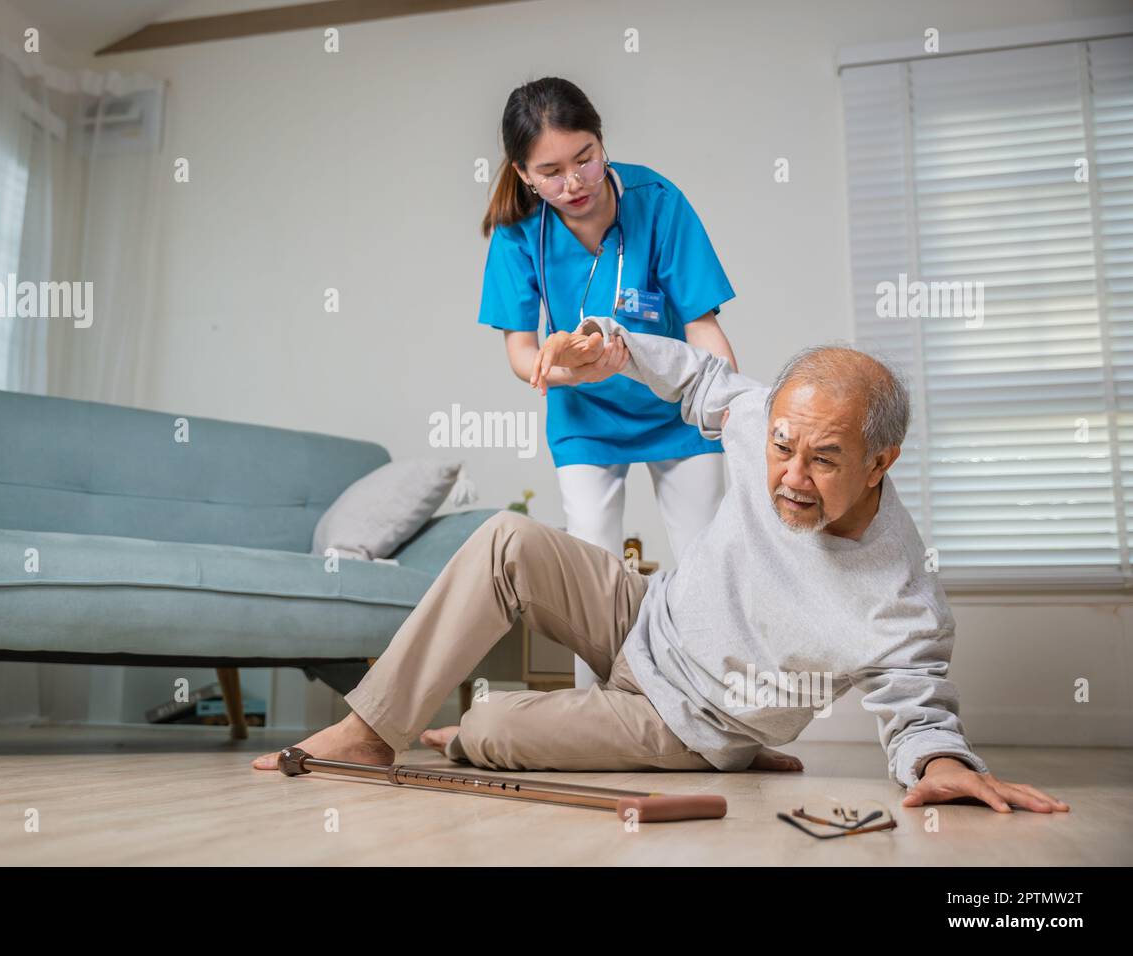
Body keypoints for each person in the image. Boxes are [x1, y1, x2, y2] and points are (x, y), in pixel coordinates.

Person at [253, 320, 1069, 814]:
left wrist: (944, 766)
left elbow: (919, 711)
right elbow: (699, 379)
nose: (789, 474)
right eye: (783, 447)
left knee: (491, 725)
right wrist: (615, 347)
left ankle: (474, 736)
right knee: (508, 539)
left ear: (880, 461)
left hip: (696, 725)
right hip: (645, 616)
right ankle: (369, 733)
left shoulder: (901, 597)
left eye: (823, 460)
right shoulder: (766, 419)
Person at [478, 77, 737, 689]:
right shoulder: (519, 231)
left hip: (672, 406)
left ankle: (716, 709)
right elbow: (521, 350)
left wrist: (729, 403)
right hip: (584, 413)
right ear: (523, 174)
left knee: (705, 562)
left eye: (585, 159)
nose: (574, 184)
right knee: (590, 571)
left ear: (602, 143)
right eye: (551, 171)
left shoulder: (656, 200)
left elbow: (701, 325)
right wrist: (562, 367)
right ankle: (596, 708)